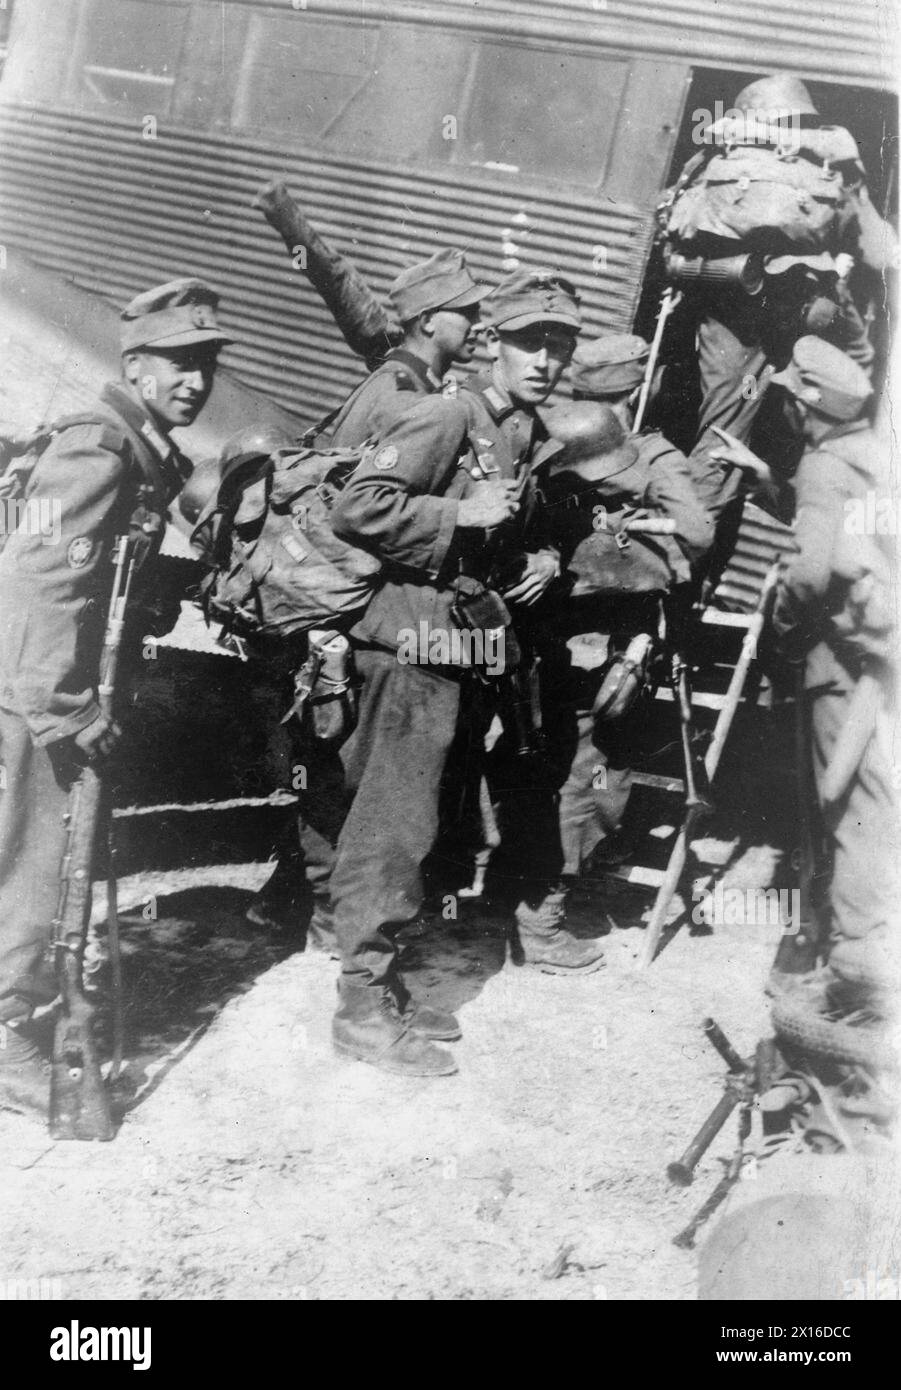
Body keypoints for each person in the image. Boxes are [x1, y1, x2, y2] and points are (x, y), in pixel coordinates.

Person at [324, 270, 601, 1078]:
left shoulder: (515, 432)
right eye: (529, 342)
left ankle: (387, 987)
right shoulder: (448, 412)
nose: (545, 359)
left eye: (559, 345)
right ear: (492, 345)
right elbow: (359, 505)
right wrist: (457, 515)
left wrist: (541, 554)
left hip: (459, 654)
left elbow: (503, 529)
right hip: (410, 651)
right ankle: (359, 1010)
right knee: (392, 830)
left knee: (426, 827)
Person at [0, 278, 230, 1118]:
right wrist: (65, 710)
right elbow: (34, 579)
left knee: (50, 858)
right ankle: (6, 1040)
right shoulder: (99, 447)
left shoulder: (137, 445)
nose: (192, 382)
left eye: (204, 365)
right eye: (175, 363)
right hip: (38, 693)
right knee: (39, 867)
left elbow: (99, 576)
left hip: (50, 684)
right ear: (134, 364)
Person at [245, 248, 488, 937]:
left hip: (330, 607)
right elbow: (360, 512)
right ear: (432, 322)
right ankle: (355, 953)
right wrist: (460, 516)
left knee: (332, 772)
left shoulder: (386, 380)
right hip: (364, 610)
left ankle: (323, 917)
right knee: (374, 795)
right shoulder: (407, 400)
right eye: (466, 314)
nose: (476, 325)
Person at [718, 337, 898, 989]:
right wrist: (770, 482)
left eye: (793, 400)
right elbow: (836, 522)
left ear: (808, 407)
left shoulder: (824, 464)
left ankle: (852, 956)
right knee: (865, 793)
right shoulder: (869, 453)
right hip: (878, 655)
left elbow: (811, 569)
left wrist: (784, 632)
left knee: (841, 799)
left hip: (840, 655)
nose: (788, 412)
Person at [660, 72, 897, 526]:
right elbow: (878, 250)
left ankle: (689, 541)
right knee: (826, 403)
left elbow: (676, 226)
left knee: (724, 427)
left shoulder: (721, 157)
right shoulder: (830, 163)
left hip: (734, 314)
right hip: (807, 315)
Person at [529, 333, 714, 877]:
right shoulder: (654, 454)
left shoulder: (555, 439)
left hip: (549, 614)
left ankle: (535, 871)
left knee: (551, 746)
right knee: (600, 755)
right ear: (639, 387)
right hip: (615, 630)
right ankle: (564, 881)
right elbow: (699, 533)